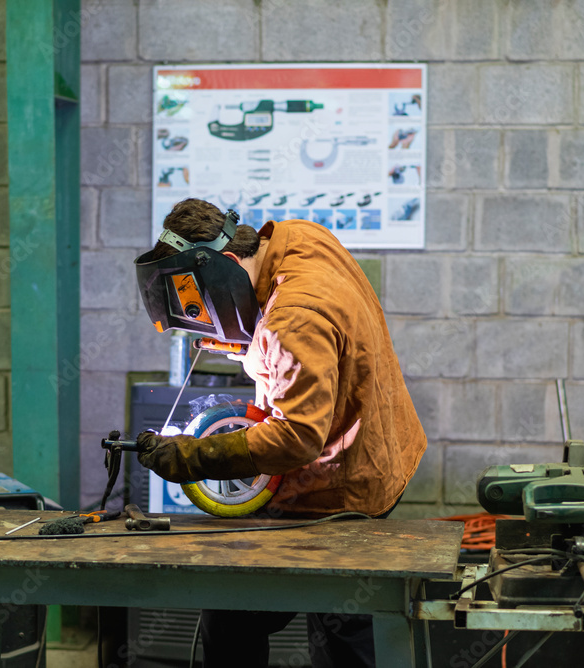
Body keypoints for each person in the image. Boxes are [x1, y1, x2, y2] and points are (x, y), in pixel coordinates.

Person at [132, 198, 426, 667]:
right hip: (376, 442)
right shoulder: (294, 239)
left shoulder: (292, 317)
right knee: (255, 617)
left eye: (207, 299)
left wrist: (196, 456)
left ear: (227, 264)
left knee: (324, 633)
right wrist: (246, 339)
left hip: (342, 487)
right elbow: (299, 340)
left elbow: (298, 437)